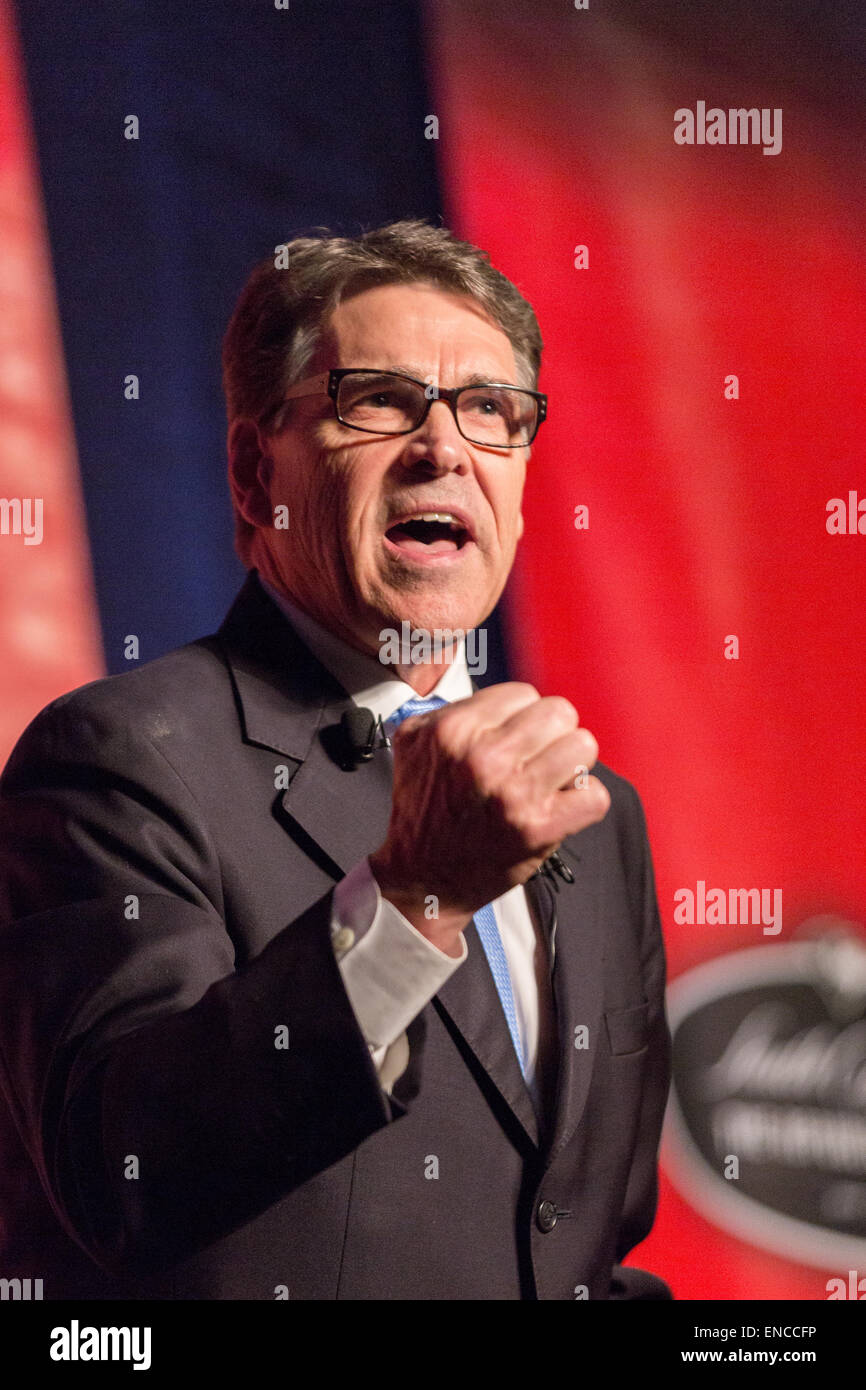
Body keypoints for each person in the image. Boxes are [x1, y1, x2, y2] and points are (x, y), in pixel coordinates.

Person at [0, 220, 671, 1300]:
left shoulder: (593, 813)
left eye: (489, 411)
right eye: (381, 400)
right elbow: (124, 1176)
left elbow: (583, 1246)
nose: (443, 447)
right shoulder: (120, 762)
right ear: (251, 467)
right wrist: (414, 899)